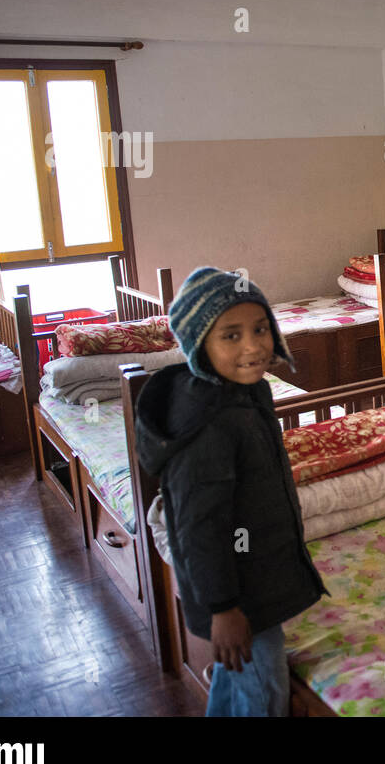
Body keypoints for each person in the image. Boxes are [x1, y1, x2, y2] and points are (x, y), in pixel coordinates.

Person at [133, 267, 326, 716]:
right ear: (200, 343)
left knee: (240, 686)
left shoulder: (247, 393)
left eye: (260, 329)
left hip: (253, 584)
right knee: (260, 695)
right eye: (231, 336)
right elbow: (201, 526)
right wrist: (224, 609)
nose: (254, 346)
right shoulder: (210, 424)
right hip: (240, 599)